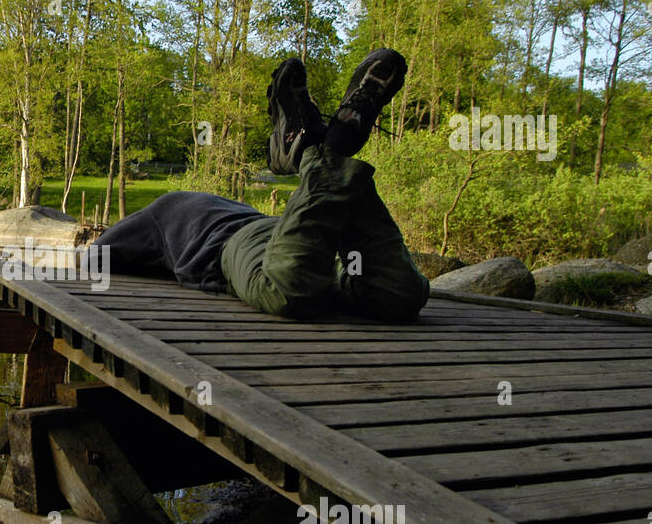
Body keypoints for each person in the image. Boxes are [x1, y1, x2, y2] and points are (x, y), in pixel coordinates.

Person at [90, 48, 429, 322]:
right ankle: (321, 148)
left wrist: (159, 264)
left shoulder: (160, 210)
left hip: (236, 245)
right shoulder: (223, 205)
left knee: (286, 290)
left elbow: (97, 256)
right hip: (282, 231)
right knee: (398, 295)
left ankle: (320, 149)